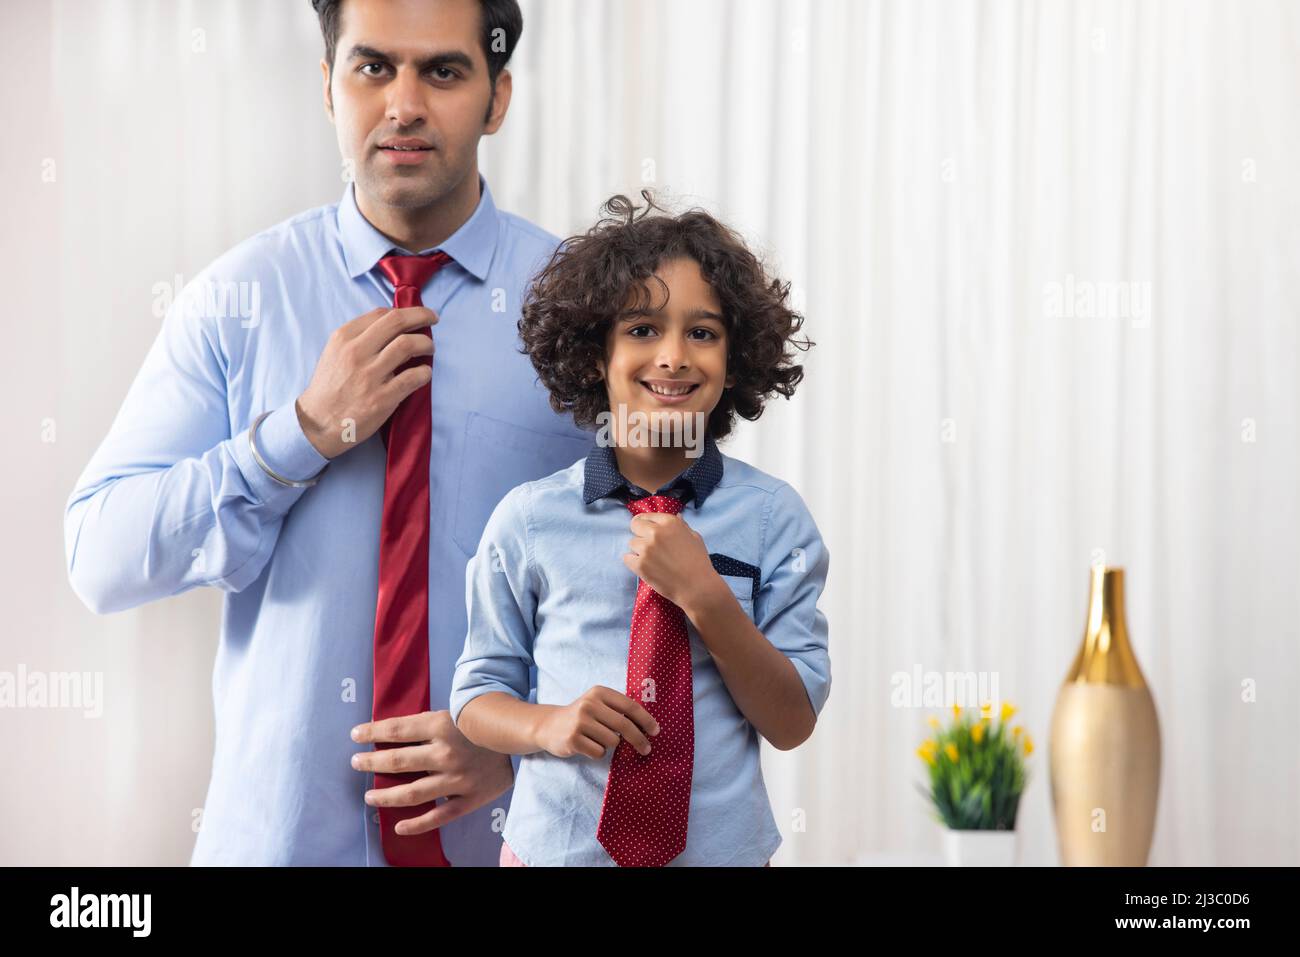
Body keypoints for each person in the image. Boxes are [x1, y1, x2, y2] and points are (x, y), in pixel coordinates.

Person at [62, 0, 589, 866]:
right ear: (328, 86)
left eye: (443, 71)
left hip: (515, 843)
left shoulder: (590, 315)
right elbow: (100, 555)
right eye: (373, 67)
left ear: (498, 97)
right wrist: (297, 435)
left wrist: (522, 739)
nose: (404, 104)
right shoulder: (237, 302)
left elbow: (659, 583)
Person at [450, 193, 832, 865]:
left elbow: (792, 721)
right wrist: (551, 725)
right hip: (556, 852)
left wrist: (706, 596)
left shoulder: (775, 520)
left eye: (703, 332)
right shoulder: (529, 519)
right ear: (596, 351)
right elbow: (477, 695)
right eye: (643, 329)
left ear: (735, 357)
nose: (674, 355)